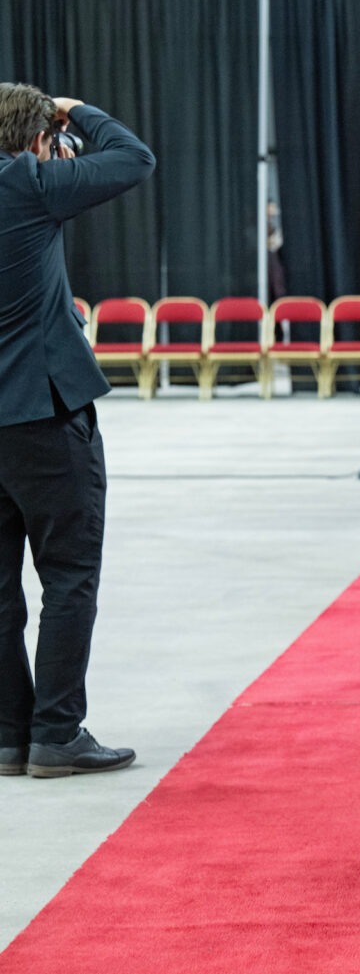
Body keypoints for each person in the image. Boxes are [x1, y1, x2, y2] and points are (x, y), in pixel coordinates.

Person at [0, 85, 154, 777]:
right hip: (43, 413)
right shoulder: (31, 184)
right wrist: (77, 111)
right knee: (67, 575)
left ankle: (9, 735)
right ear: (38, 140)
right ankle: (57, 732)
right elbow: (133, 158)